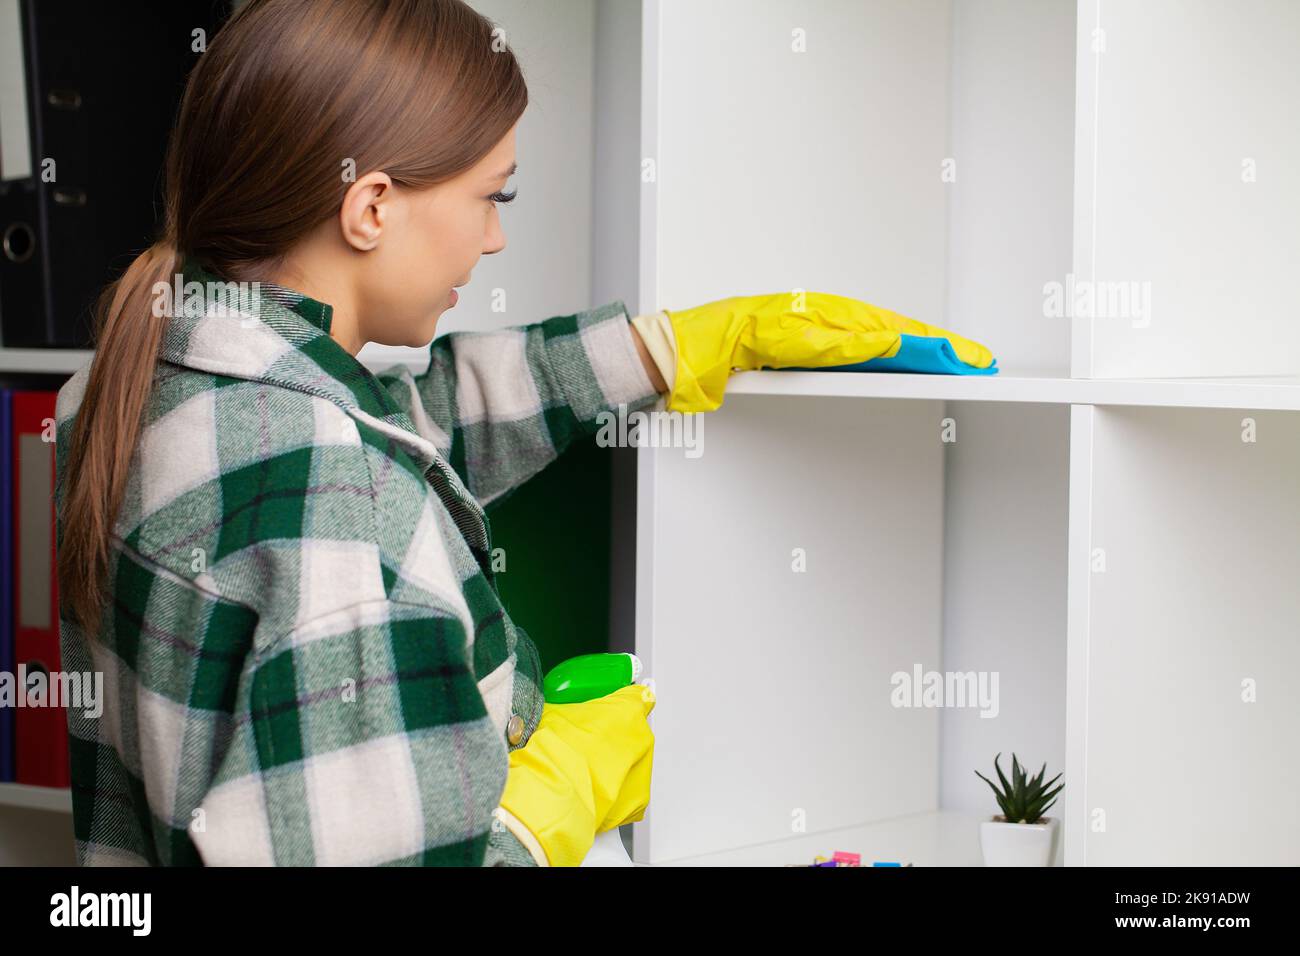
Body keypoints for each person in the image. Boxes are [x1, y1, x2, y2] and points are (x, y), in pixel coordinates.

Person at [53, 0, 992, 867]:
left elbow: (409, 421)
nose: (495, 239)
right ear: (371, 206)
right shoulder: (348, 517)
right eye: (492, 196)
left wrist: (671, 346)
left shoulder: (134, 388)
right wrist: (545, 809)